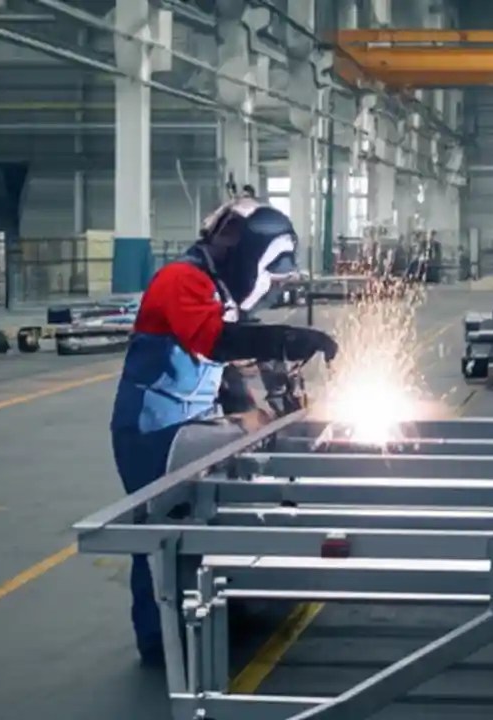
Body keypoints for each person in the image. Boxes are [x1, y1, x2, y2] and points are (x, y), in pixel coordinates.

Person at [109, 197, 337, 666]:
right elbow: (214, 341)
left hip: (191, 425)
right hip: (152, 428)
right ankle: (160, 641)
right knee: (161, 532)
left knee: (202, 523)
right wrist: (289, 338)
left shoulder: (216, 291)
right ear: (246, 249)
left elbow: (234, 363)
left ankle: (215, 614)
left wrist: (268, 408)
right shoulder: (181, 280)